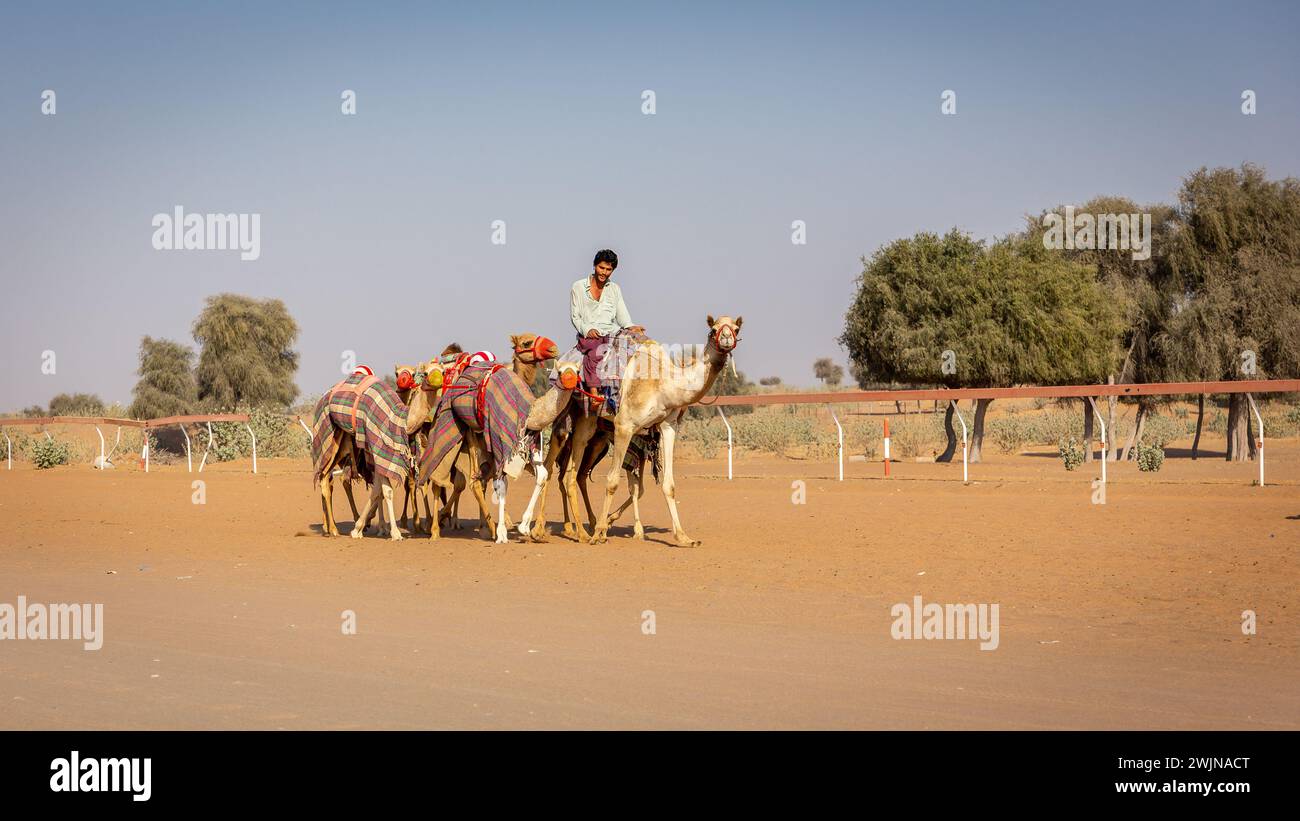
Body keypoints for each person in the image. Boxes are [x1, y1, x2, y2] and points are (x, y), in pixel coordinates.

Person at [564, 249, 645, 409]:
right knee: (596, 351)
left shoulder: (614, 289)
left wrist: (631, 327)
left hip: (612, 332)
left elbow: (623, 317)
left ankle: (634, 396)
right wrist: (587, 330)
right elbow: (576, 317)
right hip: (589, 335)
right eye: (602, 268)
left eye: (608, 270)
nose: (604, 272)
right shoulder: (578, 287)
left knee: (642, 347)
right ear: (595, 266)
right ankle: (594, 393)